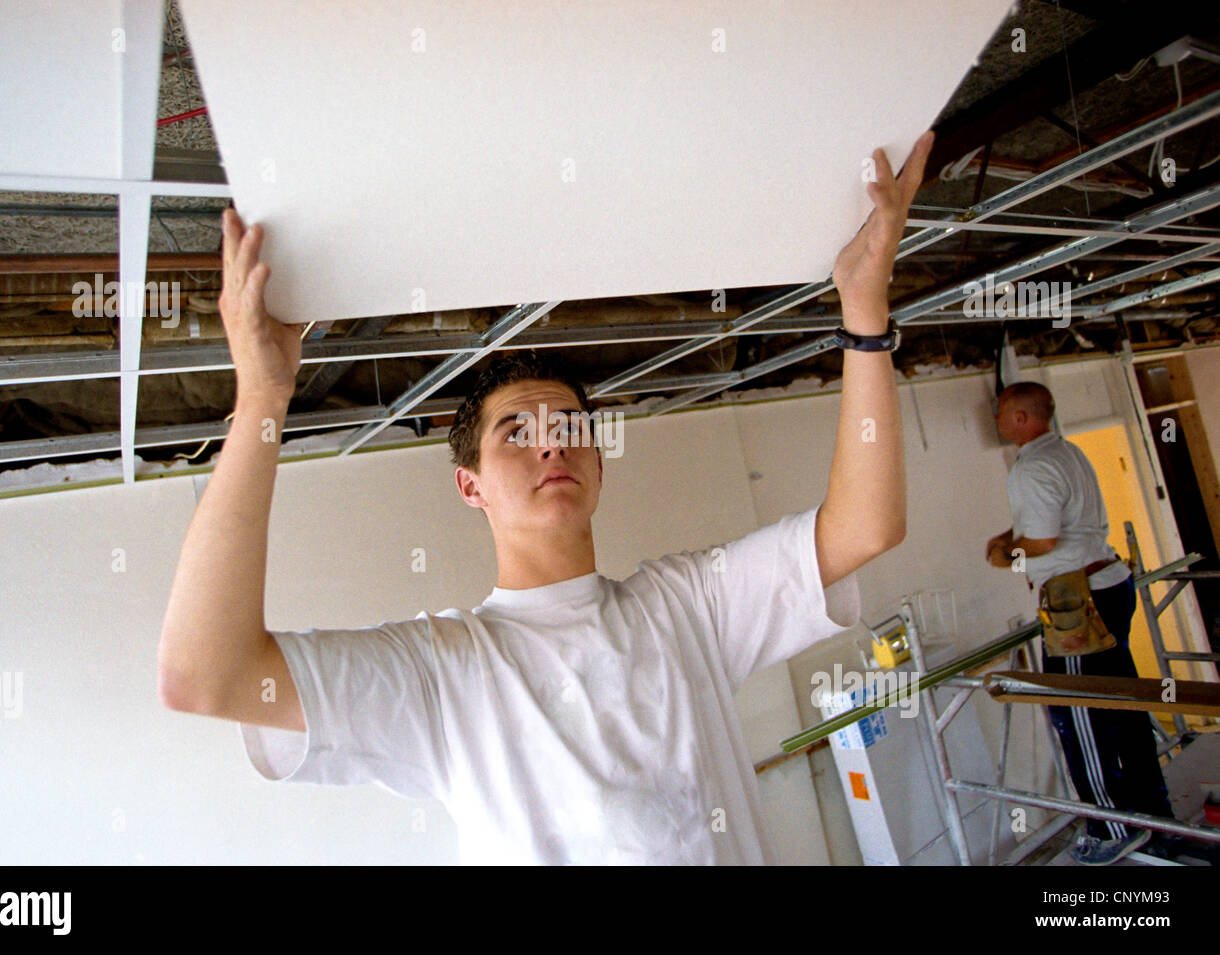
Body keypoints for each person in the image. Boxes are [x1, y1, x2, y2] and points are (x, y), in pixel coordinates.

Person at [157, 131, 936, 864]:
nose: (552, 443)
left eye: (568, 426)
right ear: (470, 485)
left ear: (601, 463)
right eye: (515, 435)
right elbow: (205, 674)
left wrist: (865, 315)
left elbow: (866, 525)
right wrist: (262, 395)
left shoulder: (688, 607)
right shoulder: (443, 671)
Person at [986, 381, 1175, 866]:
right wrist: (1014, 537)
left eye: (1003, 413)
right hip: (1110, 582)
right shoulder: (1068, 453)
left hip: (1078, 603)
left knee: (1079, 716)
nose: (997, 420)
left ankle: (1112, 828)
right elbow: (1054, 522)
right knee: (1123, 702)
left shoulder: (1032, 468)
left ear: (1024, 418)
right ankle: (1154, 812)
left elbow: (1044, 543)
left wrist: (1007, 555)